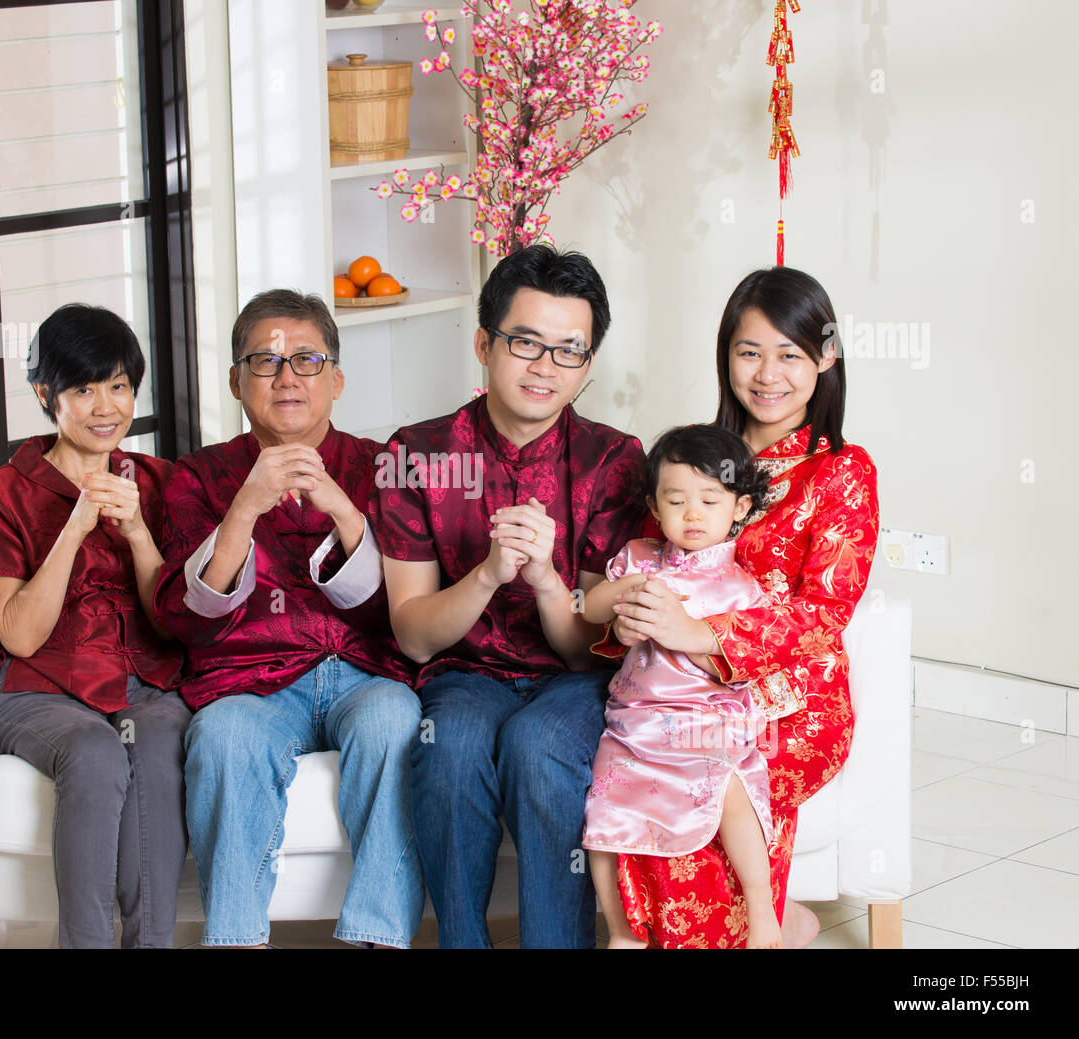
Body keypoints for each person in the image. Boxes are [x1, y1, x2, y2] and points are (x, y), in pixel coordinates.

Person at [374, 245, 645, 948]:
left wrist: (548, 579)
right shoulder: (417, 454)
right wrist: (490, 572)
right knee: (452, 746)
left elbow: (592, 652)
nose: (544, 368)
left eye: (568, 351)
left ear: (588, 365)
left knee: (537, 745)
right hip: (463, 673)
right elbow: (413, 633)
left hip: (572, 681)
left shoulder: (614, 459)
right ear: (484, 343)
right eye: (526, 343)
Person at [606, 266, 880, 948]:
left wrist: (700, 632)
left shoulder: (841, 471)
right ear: (725, 353)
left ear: (827, 357)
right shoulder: (698, 451)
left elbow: (823, 613)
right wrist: (629, 614)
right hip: (671, 683)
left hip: (792, 698)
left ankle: (762, 927)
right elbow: (649, 555)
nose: (768, 374)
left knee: (703, 792)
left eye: (790, 353)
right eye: (749, 351)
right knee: (626, 764)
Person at [153, 289, 423, 949]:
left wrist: (343, 508)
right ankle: (237, 939)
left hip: (368, 671)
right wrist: (243, 507)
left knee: (395, 719)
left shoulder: (385, 465)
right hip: (251, 680)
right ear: (235, 381)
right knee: (223, 738)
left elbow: (407, 604)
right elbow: (182, 618)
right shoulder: (196, 477)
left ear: (335, 379)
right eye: (265, 362)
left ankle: (377, 938)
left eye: (306, 360)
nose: (287, 378)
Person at [0, 304, 190, 948]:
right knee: (92, 751)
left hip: (145, 684)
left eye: (118, 386)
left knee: (157, 740)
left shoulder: (159, 480)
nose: (105, 407)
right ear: (46, 395)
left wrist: (139, 531)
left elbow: (175, 622)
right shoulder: (1, 494)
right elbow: (21, 636)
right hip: (41, 693)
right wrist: (76, 528)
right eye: (83, 389)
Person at [581, 424, 782, 948]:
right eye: (676, 499)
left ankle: (762, 910)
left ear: (738, 508)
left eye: (710, 500)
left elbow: (742, 665)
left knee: (731, 785)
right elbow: (589, 608)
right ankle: (621, 930)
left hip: (706, 718)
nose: (692, 514)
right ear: (655, 504)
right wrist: (626, 594)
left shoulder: (740, 586)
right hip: (637, 722)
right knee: (602, 808)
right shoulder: (639, 558)